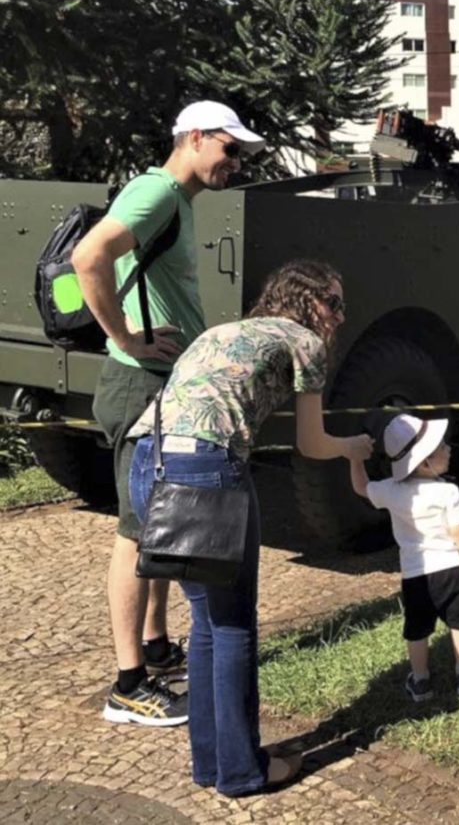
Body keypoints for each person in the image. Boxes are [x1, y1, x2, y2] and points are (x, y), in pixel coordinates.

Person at [126, 260, 374, 796]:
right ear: (305, 303)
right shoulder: (304, 342)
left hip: (149, 462)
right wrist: (351, 447)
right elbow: (311, 444)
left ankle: (212, 763)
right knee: (234, 624)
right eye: (333, 303)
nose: (339, 316)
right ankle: (242, 771)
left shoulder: (225, 330)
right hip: (208, 470)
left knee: (206, 622)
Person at [74, 100, 266, 726]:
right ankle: (127, 685)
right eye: (229, 149)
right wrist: (127, 338)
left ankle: (155, 646)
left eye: (241, 154)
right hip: (138, 385)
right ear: (193, 138)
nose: (235, 164)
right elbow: (90, 256)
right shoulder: (156, 190)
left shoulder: (176, 202)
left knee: (160, 523)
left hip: (161, 386)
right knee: (135, 535)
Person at [350, 414, 459, 703]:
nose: (448, 449)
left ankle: (420, 680)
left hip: (414, 574)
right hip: (449, 568)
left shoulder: (391, 491)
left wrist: (355, 460)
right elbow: (458, 530)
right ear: (424, 462)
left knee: (417, 630)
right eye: (442, 447)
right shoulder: (448, 492)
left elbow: (361, 488)